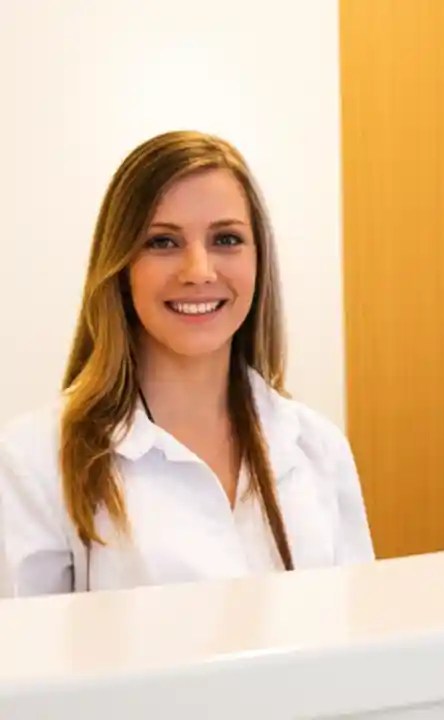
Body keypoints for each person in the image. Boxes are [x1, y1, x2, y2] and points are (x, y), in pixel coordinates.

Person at [0, 130, 374, 596]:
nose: (198, 270)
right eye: (162, 242)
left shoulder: (317, 447)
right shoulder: (34, 461)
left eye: (226, 239)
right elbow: (25, 662)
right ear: (119, 267)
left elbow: (356, 644)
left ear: (259, 261)